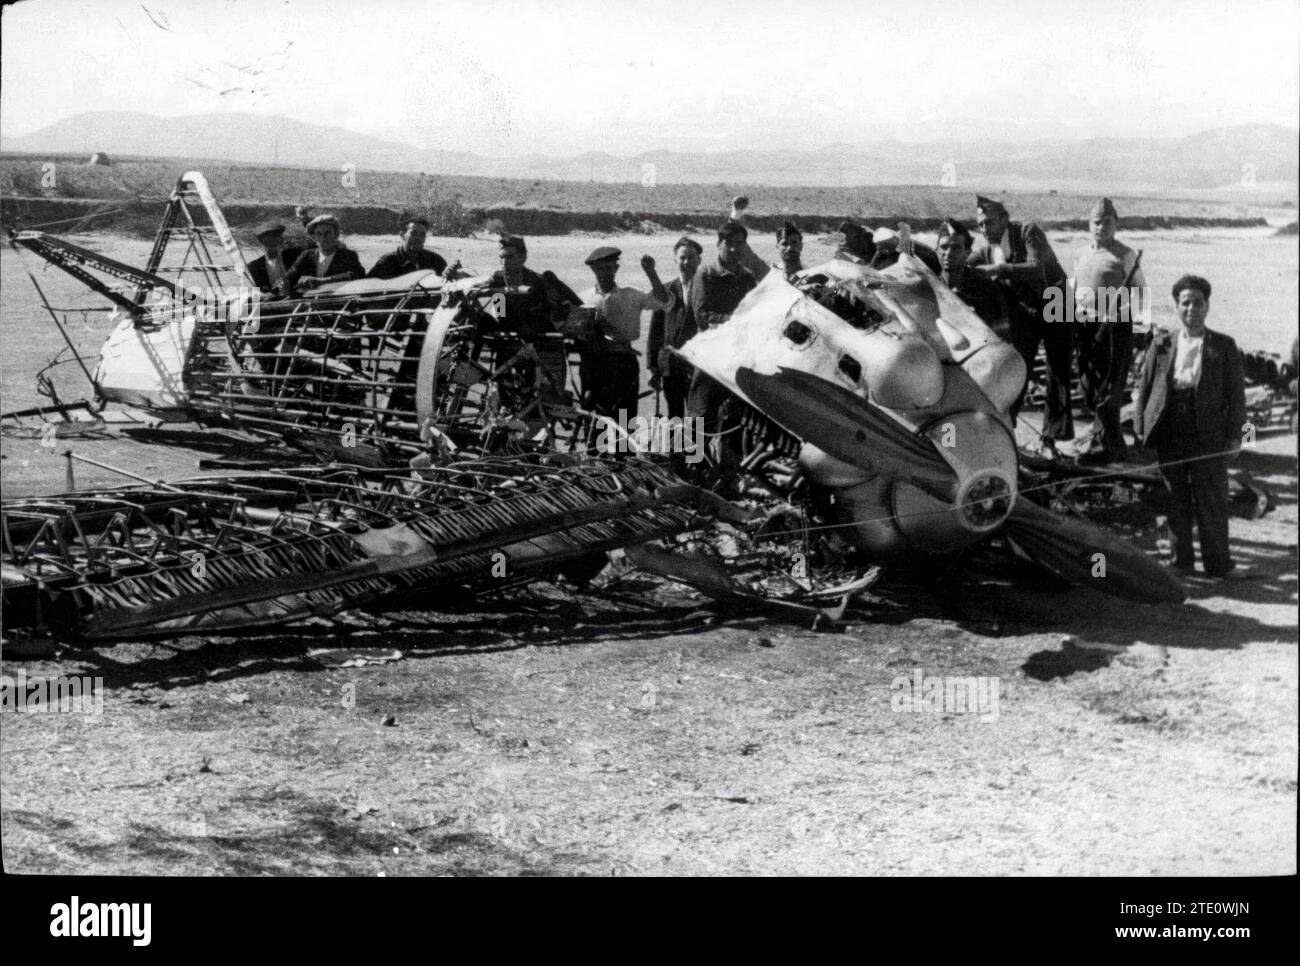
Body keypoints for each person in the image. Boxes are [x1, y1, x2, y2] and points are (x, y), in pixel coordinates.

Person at [1133, 275, 1248, 580]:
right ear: (1176, 306)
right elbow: (1144, 387)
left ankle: (1219, 565)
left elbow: (1237, 395)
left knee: (1212, 498)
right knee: (1175, 497)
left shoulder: (1224, 345)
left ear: (1207, 305)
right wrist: (1139, 425)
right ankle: (1181, 562)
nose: (1191, 309)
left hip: (1207, 432)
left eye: (1198, 302)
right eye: (1185, 303)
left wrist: (1236, 436)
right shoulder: (1161, 343)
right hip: (1171, 427)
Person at [969, 195, 1074, 440]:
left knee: (1058, 370)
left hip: (1056, 301)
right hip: (1028, 310)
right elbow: (962, 267)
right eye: (980, 225)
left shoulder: (1028, 232)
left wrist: (999, 269)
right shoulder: (987, 250)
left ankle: (1053, 438)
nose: (984, 229)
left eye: (989, 222)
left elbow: (1036, 267)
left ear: (1005, 219)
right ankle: (1007, 430)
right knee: (1018, 366)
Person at [1072, 197, 1148, 462]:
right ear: (1089, 225)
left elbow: (1140, 290)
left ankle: (1101, 445)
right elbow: (1075, 288)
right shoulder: (1081, 253)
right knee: (1088, 385)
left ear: (1116, 225)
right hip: (1086, 326)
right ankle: (1114, 443)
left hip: (1116, 328)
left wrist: (1135, 323)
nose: (1101, 227)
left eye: (1107, 222)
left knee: (1109, 386)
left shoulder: (1125, 254)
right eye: (1096, 222)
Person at [686, 221, 759, 480]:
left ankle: (727, 478)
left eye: (740, 243)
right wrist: (738, 321)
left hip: (736, 359)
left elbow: (758, 313)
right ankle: (693, 473)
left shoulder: (747, 277)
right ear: (719, 244)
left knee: (735, 420)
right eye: (729, 243)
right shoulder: (705, 274)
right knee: (700, 417)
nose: (734, 248)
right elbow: (702, 316)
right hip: (710, 358)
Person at [575, 246, 668, 419]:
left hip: (623, 363)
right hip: (593, 364)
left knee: (625, 421)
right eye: (600, 268)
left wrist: (651, 272)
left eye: (610, 268)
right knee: (593, 422)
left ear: (616, 268)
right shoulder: (583, 299)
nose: (606, 273)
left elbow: (661, 301)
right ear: (593, 269)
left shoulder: (631, 295)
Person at [646, 236, 703, 418]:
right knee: (675, 413)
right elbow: (655, 330)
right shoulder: (666, 290)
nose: (686, 262)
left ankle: (698, 447)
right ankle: (676, 447)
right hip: (672, 363)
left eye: (691, 257)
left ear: (699, 260)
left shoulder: (707, 288)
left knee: (698, 414)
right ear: (675, 260)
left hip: (699, 362)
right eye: (682, 258)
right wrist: (653, 367)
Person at [935, 218, 1010, 336]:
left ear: (967, 253)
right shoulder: (929, 286)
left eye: (956, 248)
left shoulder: (986, 288)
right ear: (936, 251)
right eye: (944, 247)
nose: (948, 253)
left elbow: (1002, 336)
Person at [286, 215, 365, 292]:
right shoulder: (306, 256)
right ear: (314, 237)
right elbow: (289, 277)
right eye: (319, 234)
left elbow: (358, 275)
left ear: (336, 234)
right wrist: (284, 285)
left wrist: (322, 281)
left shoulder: (348, 255)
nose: (323, 238)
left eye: (327, 233)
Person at [368, 216, 448, 279]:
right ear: (402, 235)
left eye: (422, 234)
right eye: (413, 233)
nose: (418, 238)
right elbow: (367, 288)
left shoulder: (434, 260)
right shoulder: (388, 262)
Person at [245, 221, 304, 296]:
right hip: (271, 303)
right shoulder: (254, 266)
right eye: (267, 242)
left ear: (281, 240)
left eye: (275, 242)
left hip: (297, 297)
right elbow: (252, 292)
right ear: (260, 242)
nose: (271, 246)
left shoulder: (294, 256)